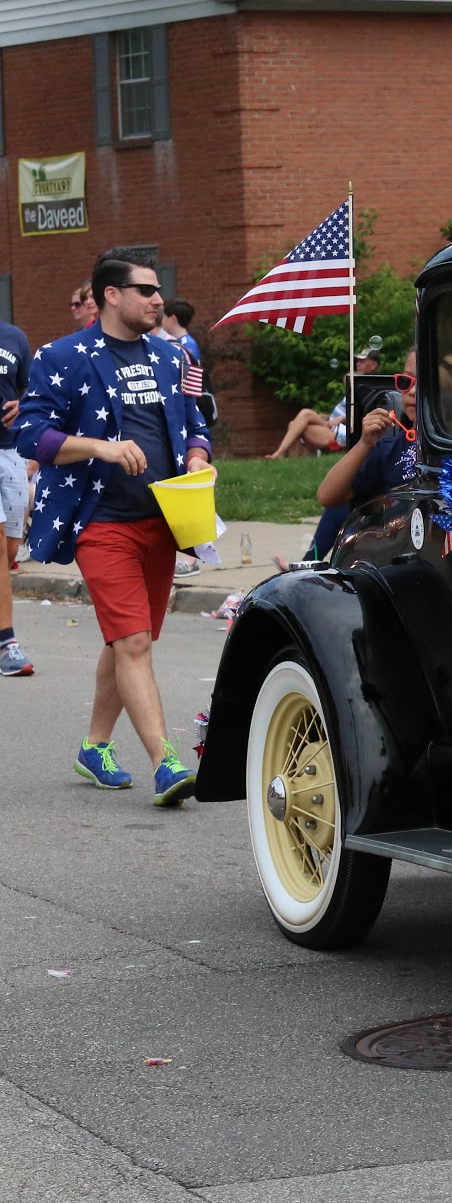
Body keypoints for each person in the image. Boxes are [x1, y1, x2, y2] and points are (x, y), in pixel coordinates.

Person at [15, 248, 211, 805]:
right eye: (147, 291)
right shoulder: (63, 355)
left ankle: (95, 746)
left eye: (159, 291)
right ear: (112, 296)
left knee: (133, 642)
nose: (158, 300)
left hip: (164, 520)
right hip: (100, 521)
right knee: (133, 642)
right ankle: (166, 763)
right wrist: (99, 446)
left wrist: (197, 457)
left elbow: (195, 424)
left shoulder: (170, 357)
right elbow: (32, 435)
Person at [293, 351, 416, 566]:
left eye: (425, 382)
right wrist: (364, 443)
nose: (412, 391)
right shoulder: (388, 448)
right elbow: (327, 497)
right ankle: (308, 562)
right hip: (395, 562)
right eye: (406, 381)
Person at [0, 314, 35, 676]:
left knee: (10, 550)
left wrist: (22, 408)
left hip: (9, 453)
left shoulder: (14, 336)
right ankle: (7, 642)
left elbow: (30, 391)